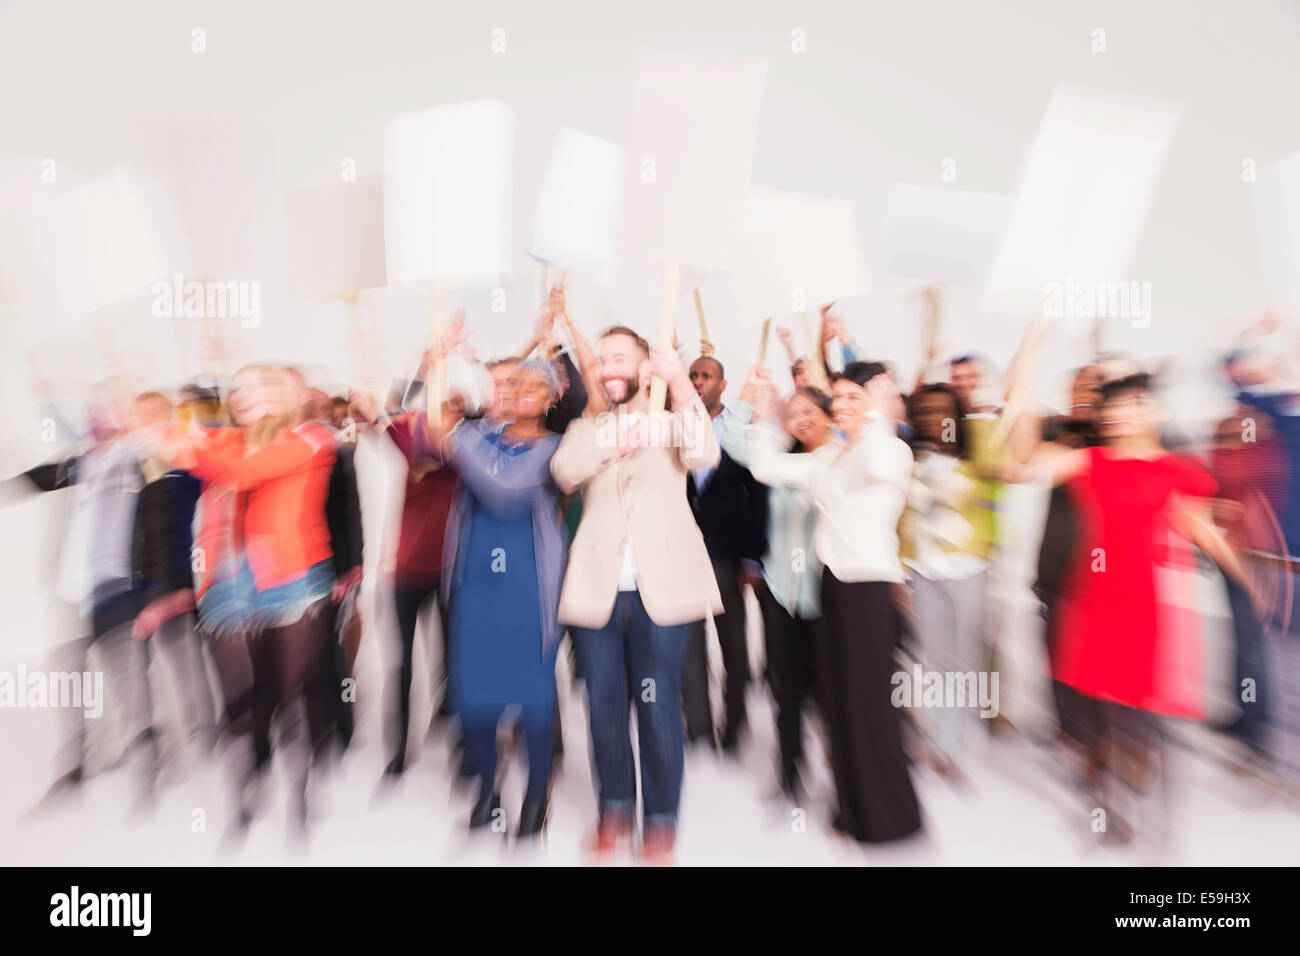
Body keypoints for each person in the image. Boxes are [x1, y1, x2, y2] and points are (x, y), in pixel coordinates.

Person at [1011, 371, 1257, 841]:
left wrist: (1252, 581)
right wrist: (1024, 378)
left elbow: (1204, 532)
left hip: (1146, 609)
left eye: (1135, 405)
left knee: (1149, 722)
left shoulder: (1175, 469)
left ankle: (1161, 830)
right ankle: (1112, 812)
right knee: (1100, 715)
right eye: (1115, 408)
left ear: (1154, 412)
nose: (1123, 414)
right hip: (1089, 604)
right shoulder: (1090, 461)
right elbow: (1023, 461)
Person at [550, 325, 722, 862]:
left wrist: (680, 384)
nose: (606, 368)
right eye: (602, 360)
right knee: (602, 707)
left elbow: (705, 454)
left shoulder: (673, 422)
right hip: (597, 592)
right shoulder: (587, 428)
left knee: (657, 707)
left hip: (662, 593)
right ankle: (615, 809)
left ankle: (663, 820)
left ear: (645, 366)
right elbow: (564, 471)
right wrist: (621, 438)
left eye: (618, 358)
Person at [747, 360, 923, 843]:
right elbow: (766, 467)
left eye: (852, 398)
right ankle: (852, 808)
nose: (840, 407)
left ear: (874, 403)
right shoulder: (832, 458)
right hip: (833, 590)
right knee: (840, 704)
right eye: (837, 398)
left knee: (869, 708)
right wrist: (763, 413)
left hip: (868, 591)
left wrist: (881, 415)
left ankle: (889, 820)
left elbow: (880, 463)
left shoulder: (888, 450)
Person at [424, 357, 566, 836]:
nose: (521, 389)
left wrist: (458, 434)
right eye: (512, 383)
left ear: (552, 398)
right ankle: (487, 795)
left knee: (533, 699)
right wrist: (436, 363)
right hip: (475, 588)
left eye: (533, 384)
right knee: (476, 696)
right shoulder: (482, 436)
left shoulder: (553, 448)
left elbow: (505, 486)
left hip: (527, 591)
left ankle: (537, 797)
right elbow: (426, 436)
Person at [720, 382, 834, 800]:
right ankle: (789, 775)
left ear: (829, 414)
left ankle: (843, 782)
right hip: (781, 592)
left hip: (827, 596)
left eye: (811, 411)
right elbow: (733, 442)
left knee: (827, 692)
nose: (801, 419)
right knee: (784, 690)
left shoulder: (839, 458)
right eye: (793, 412)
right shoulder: (777, 458)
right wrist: (753, 400)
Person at [899, 383, 994, 783]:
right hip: (923, 570)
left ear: (957, 417)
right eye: (923, 411)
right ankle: (939, 742)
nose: (931, 418)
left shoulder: (978, 460)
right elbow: (901, 519)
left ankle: (960, 745)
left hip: (967, 569)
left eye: (941, 410)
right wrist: (901, 571)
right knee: (934, 662)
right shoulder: (907, 459)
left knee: (965, 662)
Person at [682, 351, 768, 752]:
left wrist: (752, 559)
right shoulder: (674, 426)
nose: (699, 382)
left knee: (733, 646)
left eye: (707, 376)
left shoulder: (742, 429)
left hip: (728, 555)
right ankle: (697, 726)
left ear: (723, 384)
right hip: (682, 552)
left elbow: (758, 496)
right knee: (689, 646)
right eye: (693, 375)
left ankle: (733, 729)